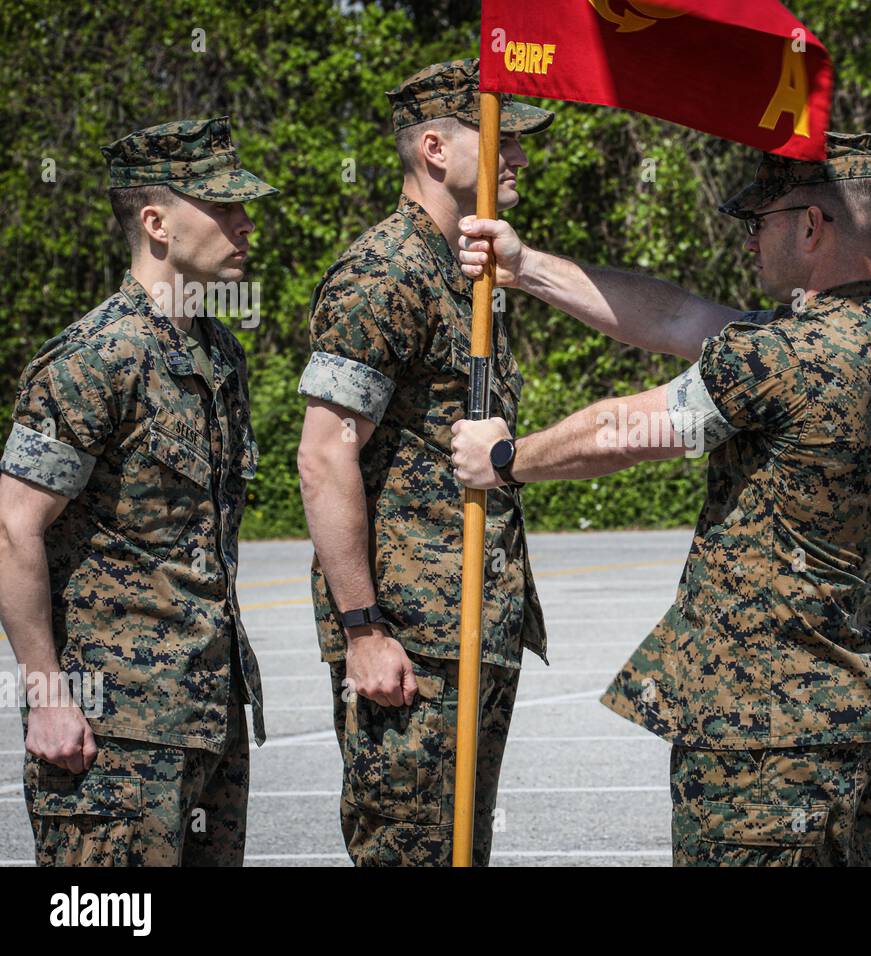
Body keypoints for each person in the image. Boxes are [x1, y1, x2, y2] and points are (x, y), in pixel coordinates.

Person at [450, 132, 871, 866]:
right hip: (849, 720)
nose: (750, 239)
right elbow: (674, 318)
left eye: (760, 221)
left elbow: (623, 433)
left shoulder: (779, 357)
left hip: (764, 741)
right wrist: (527, 266)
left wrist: (505, 459)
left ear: (810, 226)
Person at [295, 58, 552, 866]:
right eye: (501, 137)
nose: (519, 155)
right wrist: (363, 629)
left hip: (469, 628)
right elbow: (323, 456)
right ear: (435, 150)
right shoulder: (385, 271)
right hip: (411, 642)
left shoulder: (463, 269)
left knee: (459, 850)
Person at [0, 116, 276, 865]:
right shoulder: (95, 359)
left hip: (207, 715)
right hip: (112, 731)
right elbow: (15, 527)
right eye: (223, 206)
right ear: (157, 223)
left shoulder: (219, 352)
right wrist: (48, 696)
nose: (244, 224)